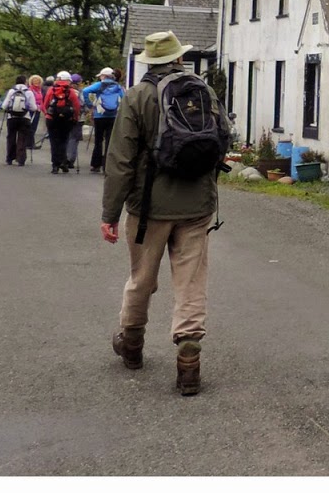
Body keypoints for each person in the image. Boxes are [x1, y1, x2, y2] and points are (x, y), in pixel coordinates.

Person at [101, 31, 228, 396]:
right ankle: (189, 360)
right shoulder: (203, 91)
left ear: (148, 62)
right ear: (178, 59)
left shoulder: (137, 96)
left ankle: (133, 345)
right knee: (191, 283)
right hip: (198, 206)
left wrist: (110, 212)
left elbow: (120, 160)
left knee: (142, 278)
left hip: (149, 208)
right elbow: (223, 140)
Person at [80, 67, 125, 174]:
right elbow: (124, 98)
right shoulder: (118, 86)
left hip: (99, 115)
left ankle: (96, 164)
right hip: (113, 116)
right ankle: (107, 166)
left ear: (104, 76)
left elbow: (85, 91)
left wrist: (90, 104)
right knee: (110, 141)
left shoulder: (100, 85)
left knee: (98, 141)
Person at [42, 71, 83, 174]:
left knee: (54, 141)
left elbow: (45, 104)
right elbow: (76, 106)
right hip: (66, 119)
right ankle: (64, 163)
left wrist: (47, 113)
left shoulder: (52, 89)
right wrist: (75, 117)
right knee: (64, 141)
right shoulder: (71, 91)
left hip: (52, 118)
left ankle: (55, 165)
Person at [1, 75, 38, 166]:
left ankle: (9, 158)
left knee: (11, 137)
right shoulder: (29, 92)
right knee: (22, 138)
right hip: (24, 118)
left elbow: (4, 106)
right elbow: (33, 107)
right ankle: (21, 159)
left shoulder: (11, 91)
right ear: (25, 82)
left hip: (12, 117)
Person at [28, 75, 46, 149]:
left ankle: (30, 143)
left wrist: (44, 111)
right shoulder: (30, 90)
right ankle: (30, 144)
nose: (36, 82)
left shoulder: (39, 90)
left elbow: (41, 101)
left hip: (38, 111)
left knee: (34, 127)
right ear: (31, 82)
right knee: (31, 127)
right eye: (34, 80)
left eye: (38, 81)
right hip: (32, 110)